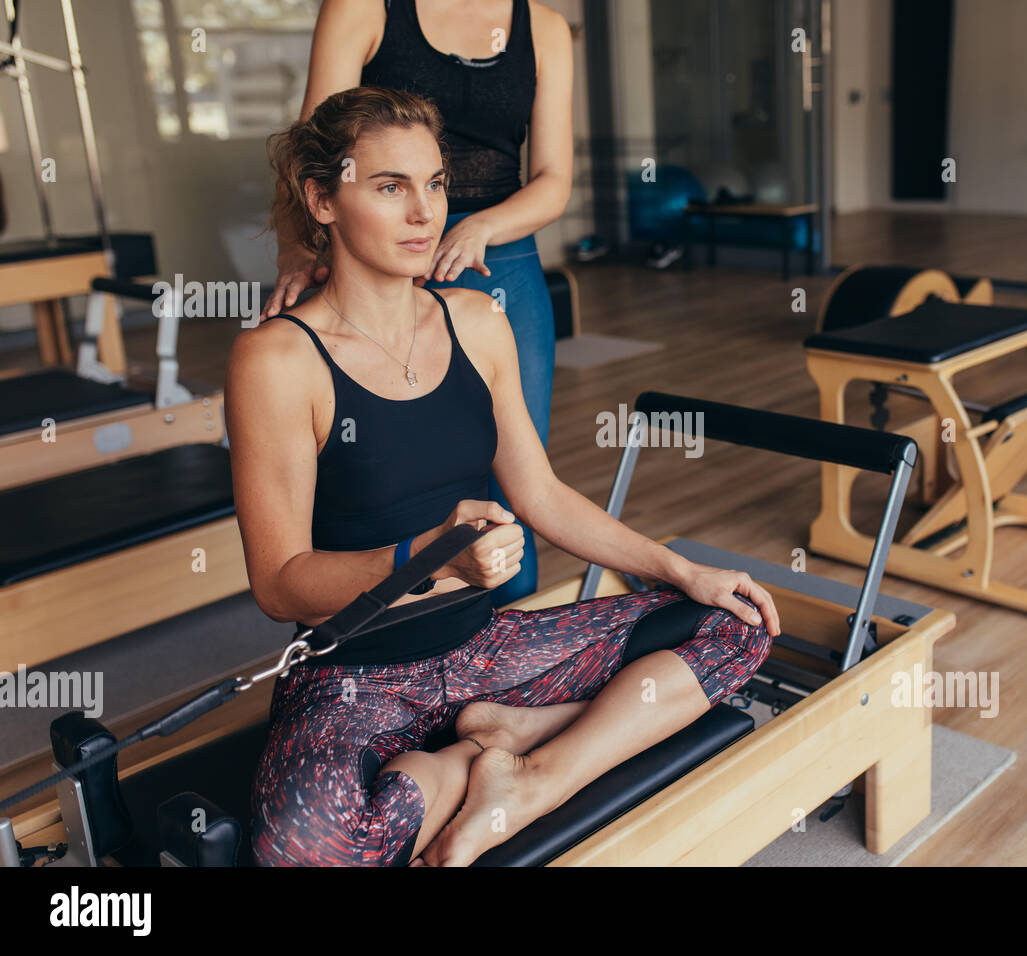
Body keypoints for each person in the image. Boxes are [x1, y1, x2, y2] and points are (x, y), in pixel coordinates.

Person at [229, 86, 778, 867]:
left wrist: (681, 569)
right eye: (390, 187)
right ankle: (465, 762)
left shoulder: (478, 321)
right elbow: (279, 585)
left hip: (487, 653)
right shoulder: (278, 361)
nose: (425, 213)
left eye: (436, 184)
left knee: (735, 624)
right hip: (358, 678)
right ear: (323, 198)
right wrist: (429, 557)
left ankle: (529, 775)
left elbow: (540, 491)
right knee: (303, 850)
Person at [260, 0, 574, 606]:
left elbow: (554, 178)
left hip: (496, 254)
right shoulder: (361, 9)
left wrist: (481, 226)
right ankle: (404, 641)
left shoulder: (547, 29)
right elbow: (312, 151)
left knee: (514, 485)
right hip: (374, 243)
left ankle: (500, 632)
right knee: (391, 479)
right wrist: (297, 252)